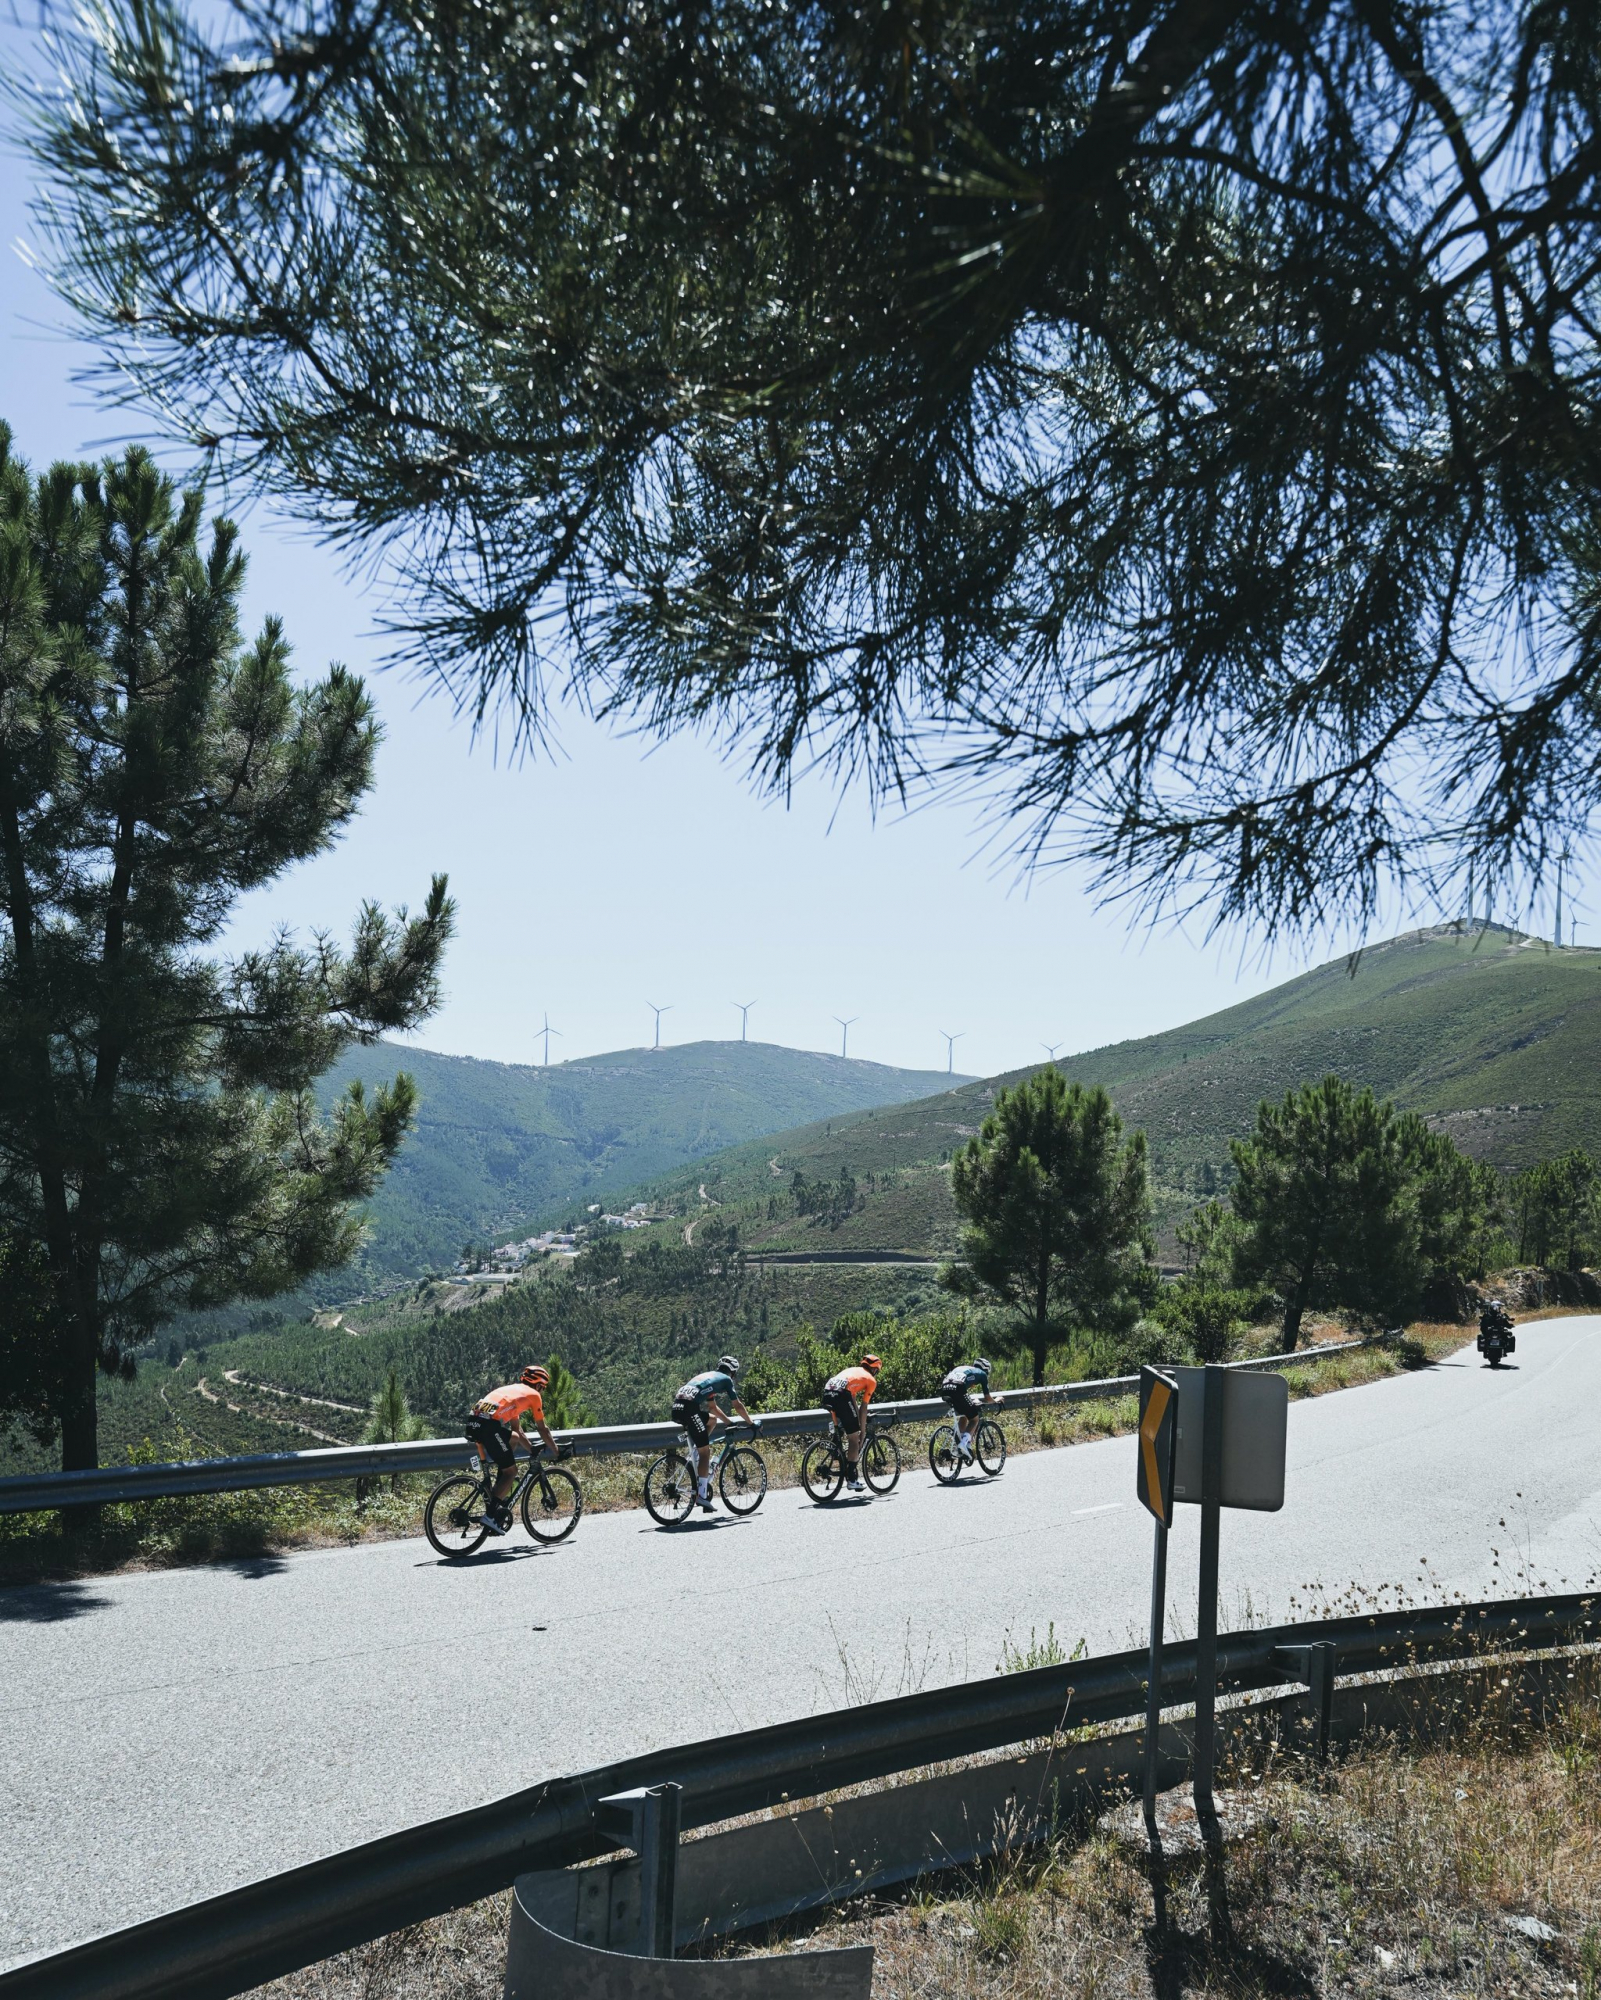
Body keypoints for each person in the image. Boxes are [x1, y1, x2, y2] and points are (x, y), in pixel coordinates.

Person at [467, 1365, 560, 1533]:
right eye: (543, 1387)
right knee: (511, 1472)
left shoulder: (513, 1392)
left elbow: (517, 1431)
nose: (543, 1391)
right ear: (539, 1385)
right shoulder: (534, 1395)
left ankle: (494, 1499)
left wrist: (531, 1449)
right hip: (488, 1426)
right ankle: (490, 1516)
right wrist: (557, 1451)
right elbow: (543, 1429)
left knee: (513, 1439)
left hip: (473, 1423)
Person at [671, 1356, 758, 1512]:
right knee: (705, 1452)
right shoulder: (726, 1380)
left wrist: (729, 1423)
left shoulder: (709, 1378)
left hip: (677, 1407)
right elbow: (737, 1405)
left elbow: (713, 1409)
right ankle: (702, 1496)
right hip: (689, 1408)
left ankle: (695, 1457)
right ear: (733, 1372)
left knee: (712, 1421)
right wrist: (751, 1423)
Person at [821, 1353, 882, 1491]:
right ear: (874, 1370)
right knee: (854, 1438)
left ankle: (836, 1450)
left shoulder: (853, 1372)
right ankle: (852, 1480)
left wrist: (857, 1424)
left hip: (828, 1392)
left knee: (847, 1428)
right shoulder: (871, 1380)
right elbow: (863, 1407)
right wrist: (862, 1431)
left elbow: (853, 1403)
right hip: (842, 1395)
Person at [940, 1357, 1002, 1462]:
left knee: (965, 1414)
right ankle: (963, 1444)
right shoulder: (982, 1374)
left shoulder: (966, 1369)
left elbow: (964, 1396)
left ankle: (959, 1446)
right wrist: (996, 1400)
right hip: (958, 1388)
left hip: (944, 1388)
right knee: (974, 1419)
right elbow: (987, 1398)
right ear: (986, 1369)